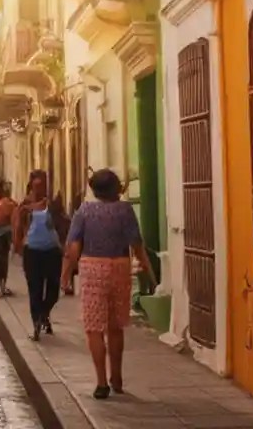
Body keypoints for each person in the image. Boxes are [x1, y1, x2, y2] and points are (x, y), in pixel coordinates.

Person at [61, 168, 156, 400]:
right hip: (120, 266)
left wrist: (64, 275)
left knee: (94, 327)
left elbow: (73, 248)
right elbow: (137, 244)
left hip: (92, 268)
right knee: (115, 326)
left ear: (94, 189)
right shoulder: (125, 210)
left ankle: (101, 382)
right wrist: (150, 274)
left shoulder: (84, 211)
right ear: (116, 188)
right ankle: (117, 377)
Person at [14, 180, 62, 341]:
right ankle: (36, 323)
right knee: (35, 288)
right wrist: (18, 245)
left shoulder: (52, 204)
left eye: (42, 185)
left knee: (53, 289)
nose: (40, 188)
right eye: (37, 185)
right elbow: (18, 226)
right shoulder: (25, 207)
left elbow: (61, 224)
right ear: (31, 187)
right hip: (32, 252)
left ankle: (43, 313)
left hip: (52, 252)